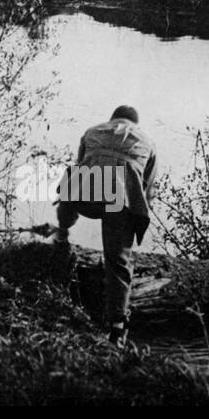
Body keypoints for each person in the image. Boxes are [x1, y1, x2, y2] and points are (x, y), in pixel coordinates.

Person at [54, 105, 159, 348]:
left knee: (72, 178)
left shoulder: (92, 131)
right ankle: (117, 329)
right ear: (136, 123)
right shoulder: (148, 141)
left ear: (112, 119)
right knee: (117, 261)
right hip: (117, 201)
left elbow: (79, 167)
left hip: (88, 194)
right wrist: (133, 221)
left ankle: (62, 234)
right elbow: (147, 191)